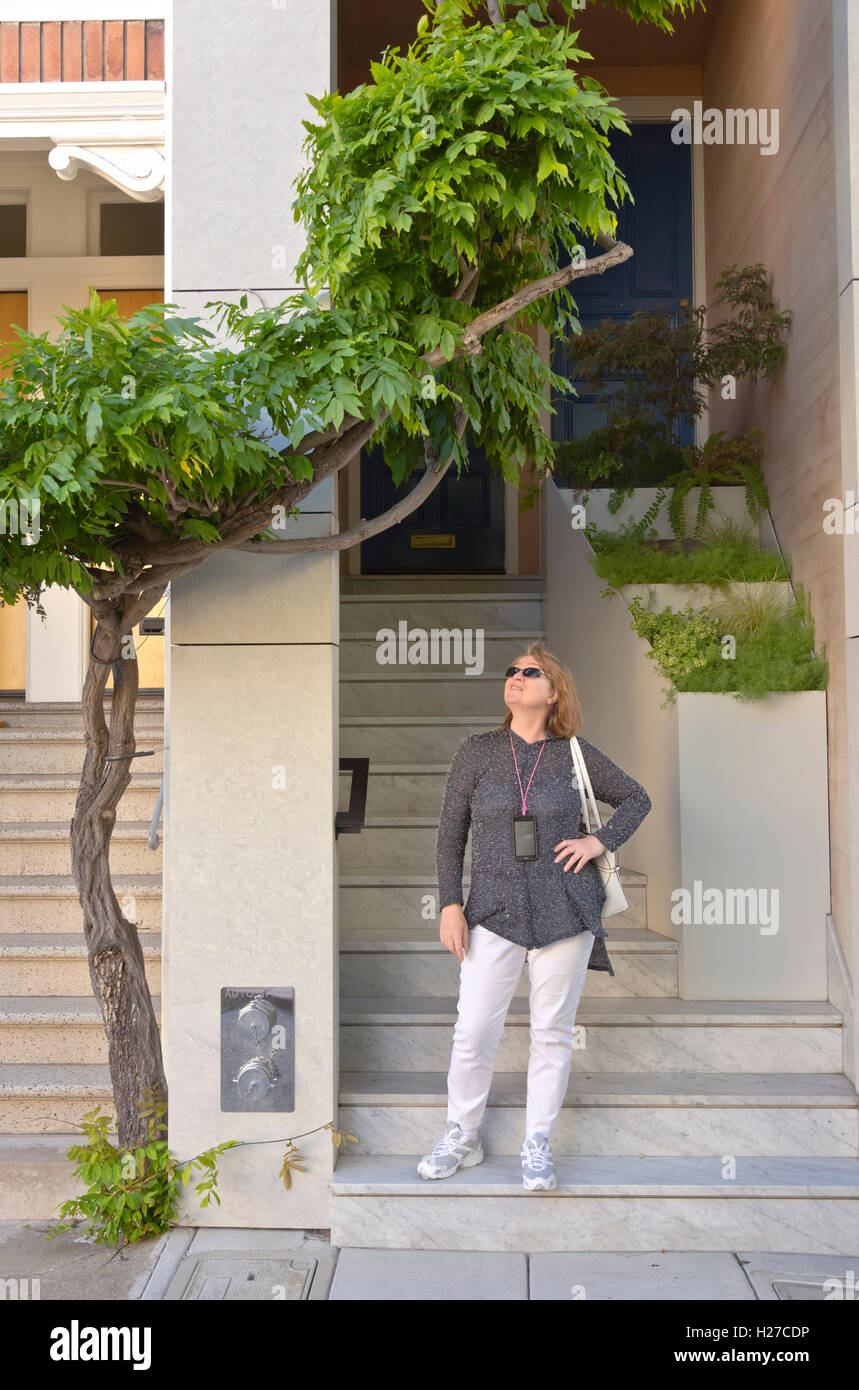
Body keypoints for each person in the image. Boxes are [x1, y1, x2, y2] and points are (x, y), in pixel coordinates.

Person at [418, 641, 652, 1191]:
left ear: (554, 692)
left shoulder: (575, 753)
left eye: (530, 672)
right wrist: (451, 903)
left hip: (566, 911)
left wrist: (598, 841)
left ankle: (537, 1143)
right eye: (512, 671)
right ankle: (462, 1135)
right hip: (492, 911)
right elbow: (450, 835)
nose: (516, 678)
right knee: (474, 1030)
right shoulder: (476, 752)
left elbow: (637, 798)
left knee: (552, 1033)